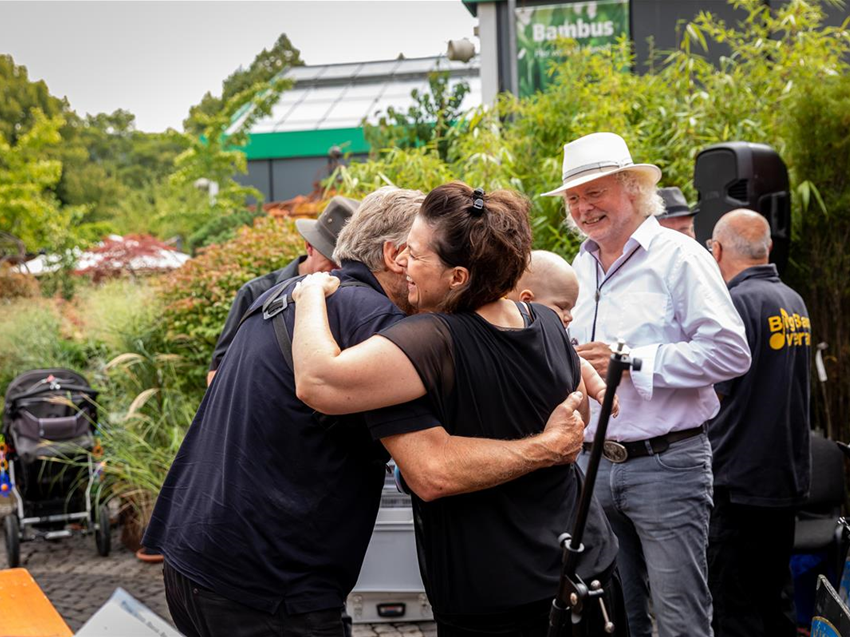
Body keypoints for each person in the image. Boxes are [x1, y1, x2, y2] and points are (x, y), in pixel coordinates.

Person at [143, 186, 588, 637]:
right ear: (396, 256)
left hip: (193, 558)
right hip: (268, 586)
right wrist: (548, 446)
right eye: (413, 253)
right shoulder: (377, 326)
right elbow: (432, 469)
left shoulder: (287, 293)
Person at [291, 183, 624, 636]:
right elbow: (576, 415)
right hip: (588, 566)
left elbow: (318, 381)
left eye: (416, 255)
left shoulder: (432, 339)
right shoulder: (546, 321)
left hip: (504, 599)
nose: (403, 264)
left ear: (458, 278)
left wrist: (309, 295)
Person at [541, 132, 751, 637]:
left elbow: (731, 354)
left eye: (595, 193)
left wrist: (631, 360)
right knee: (618, 618)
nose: (582, 208)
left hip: (666, 465)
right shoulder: (579, 267)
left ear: (632, 188)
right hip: (592, 466)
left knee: (680, 620)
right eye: (573, 198)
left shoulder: (680, 256)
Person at [706, 209, 811, 637]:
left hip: (738, 481)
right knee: (775, 597)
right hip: (782, 476)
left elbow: (713, 392)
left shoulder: (736, 303)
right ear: (767, 248)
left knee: (734, 607)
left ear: (716, 250)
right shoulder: (792, 300)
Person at [206, 195, 359, 385]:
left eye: (345, 262)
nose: (338, 269)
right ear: (309, 246)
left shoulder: (355, 299)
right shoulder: (256, 293)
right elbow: (216, 373)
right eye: (330, 258)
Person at [507, 249, 618, 417]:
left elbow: (578, 364)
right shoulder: (504, 333)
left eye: (571, 309)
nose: (570, 317)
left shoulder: (552, 339)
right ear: (527, 301)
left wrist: (601, 390)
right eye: (562, 307)